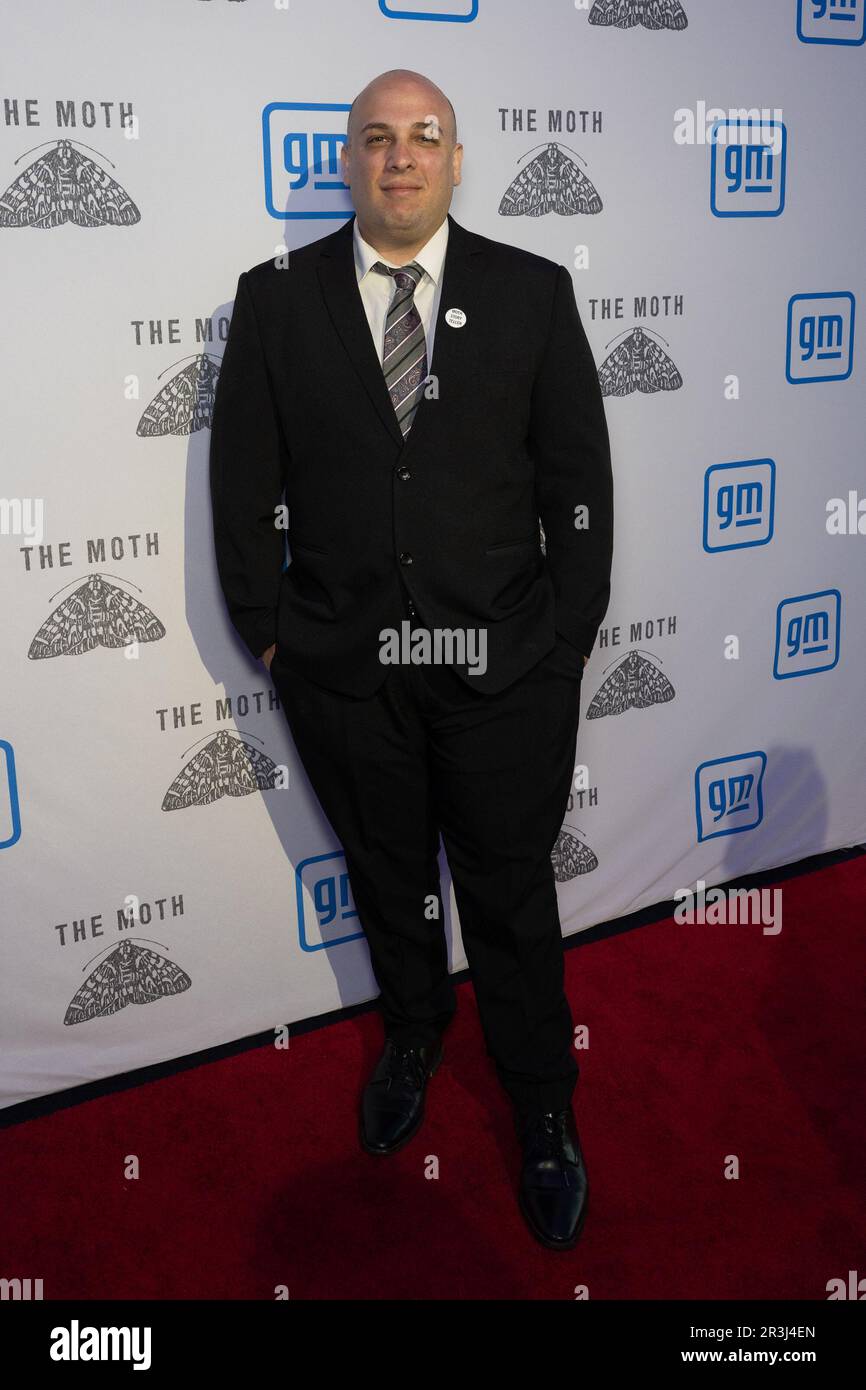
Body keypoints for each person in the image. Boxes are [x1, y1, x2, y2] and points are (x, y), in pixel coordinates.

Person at [209, 68, 613, 1250]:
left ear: (453, 158)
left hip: (500, 670)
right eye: (376, 139)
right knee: (388, 877)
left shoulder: (530, 294)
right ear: (346, 161)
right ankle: (413, 1034)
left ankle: (541, 1108)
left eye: (421, 138)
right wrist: (273, 634)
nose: (399, 158)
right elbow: (243, 493)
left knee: (507, 895)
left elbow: (575, 485)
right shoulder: (276, 301)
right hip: (345, 671)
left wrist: (561, 644)